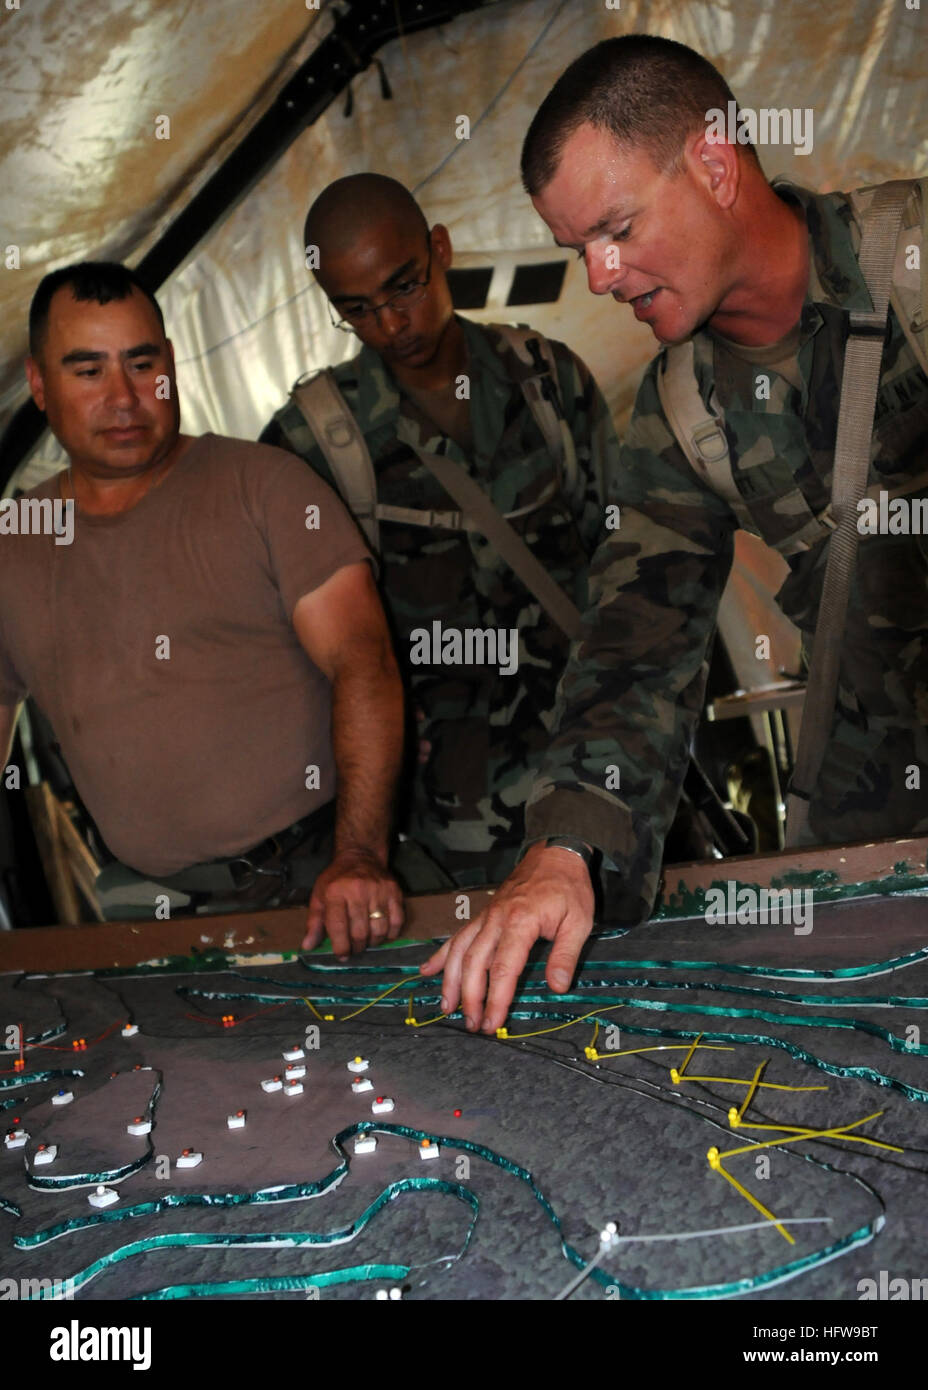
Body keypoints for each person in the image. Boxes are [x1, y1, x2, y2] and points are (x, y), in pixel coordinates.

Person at [422, 34, 928, 1030]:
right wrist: (562, 846)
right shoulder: (678, 410)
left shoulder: (911, 258)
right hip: (889, 816)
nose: (600, 276)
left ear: (710, 161)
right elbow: (633, 646)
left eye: (614, 228)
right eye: (579, 250)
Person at [0, 262, 405, 956]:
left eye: (141, 362)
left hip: (318, 884)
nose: (124, 397)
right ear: (39, 384)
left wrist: (360, 856)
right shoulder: (15, 543)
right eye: (88, 371)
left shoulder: (267, 488)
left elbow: (363, 661)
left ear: (172, 364)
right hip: (142, 908)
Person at [262, 174, 622, 892]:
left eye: (404, 287)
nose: (392, 325)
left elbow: (632, 573)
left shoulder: (548, 384)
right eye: (357, 310)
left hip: (592, 791)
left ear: (440, 249)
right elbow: (288, 658)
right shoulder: (311, 444)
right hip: (438, 839)